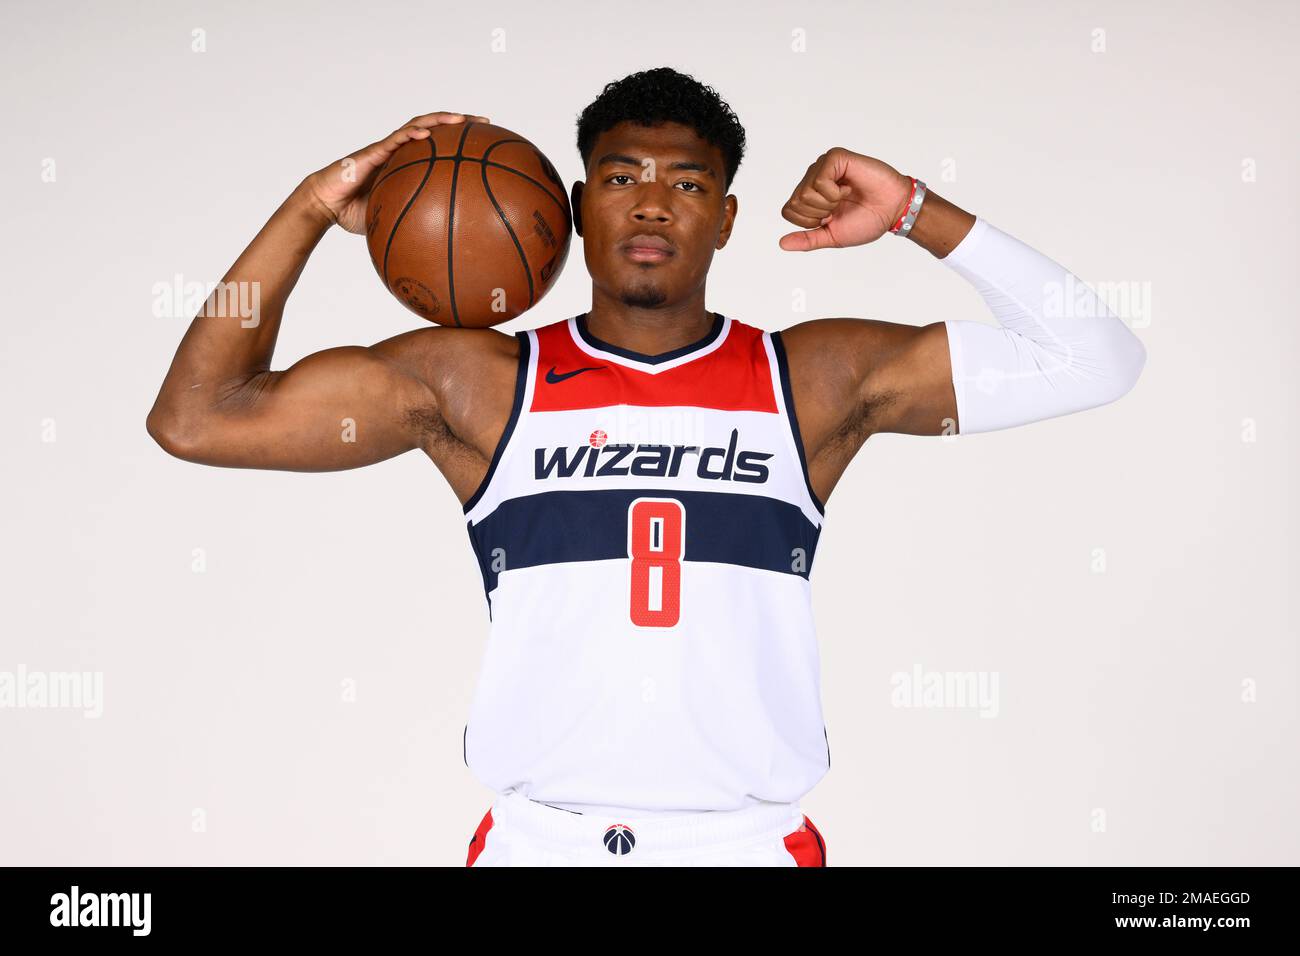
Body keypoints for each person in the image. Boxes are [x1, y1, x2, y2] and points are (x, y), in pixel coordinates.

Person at [147, 68, 1145, 866]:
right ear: (576, 207)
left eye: (689, 183)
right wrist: (311, 206)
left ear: (726, 216)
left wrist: (915, 210)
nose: (654, 205)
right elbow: (197, 416)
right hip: (541, 843)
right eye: (622, 179)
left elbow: (1097, 360)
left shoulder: (814, 375)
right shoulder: (478, 380)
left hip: (744, 845)